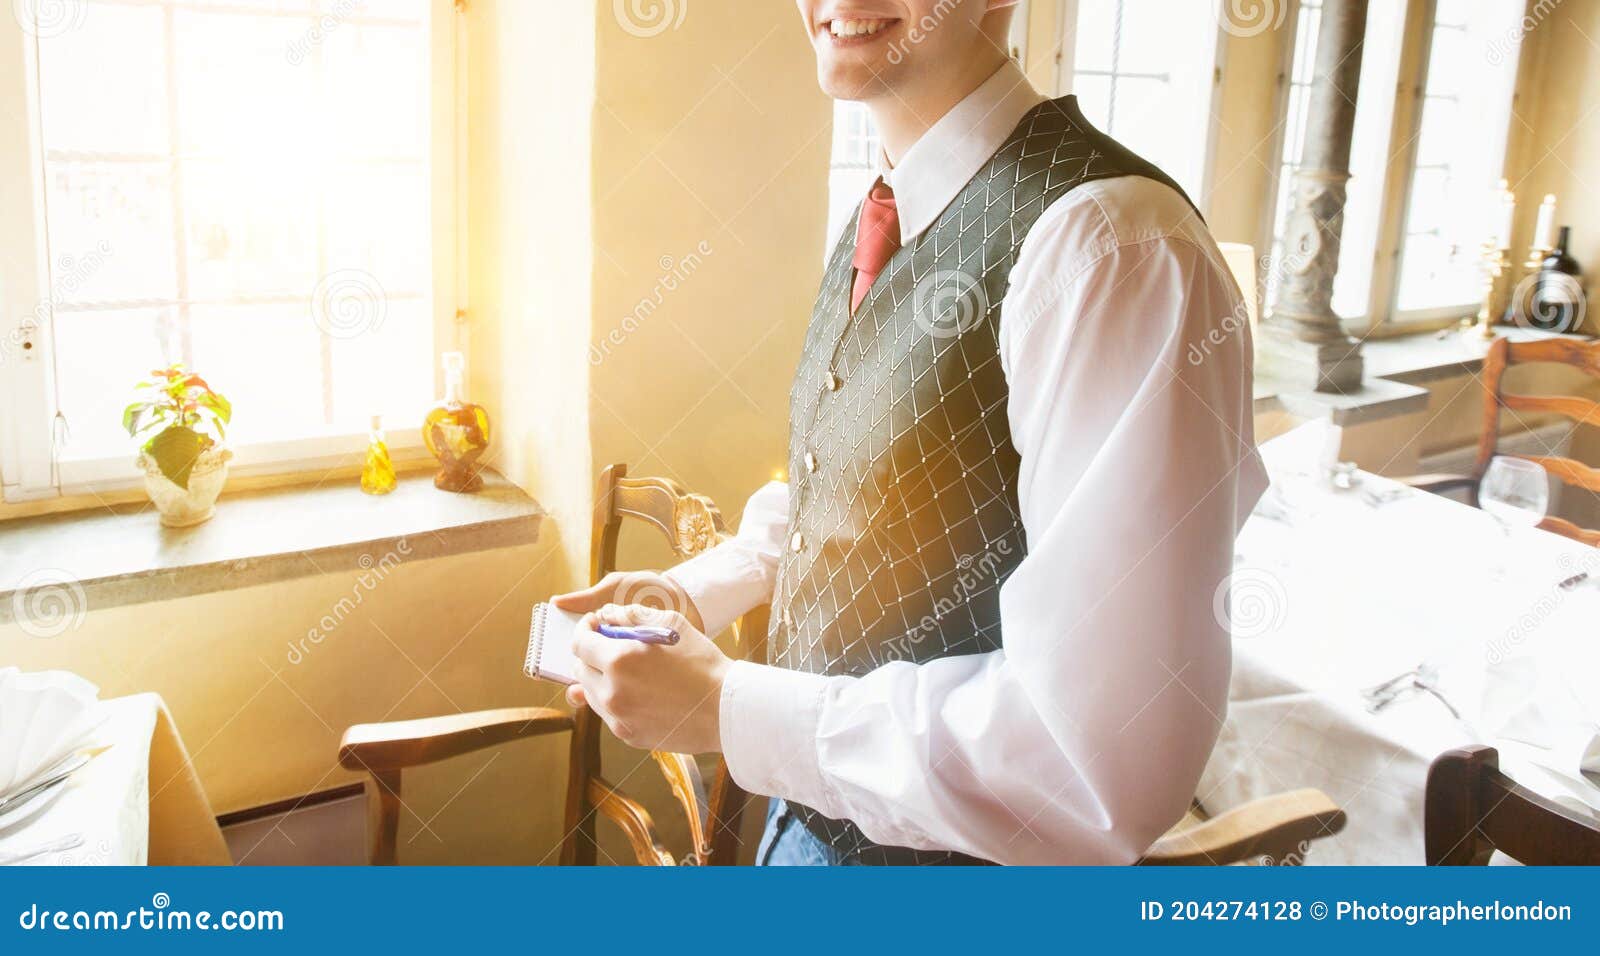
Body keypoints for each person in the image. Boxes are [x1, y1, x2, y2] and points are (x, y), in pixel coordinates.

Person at [553, 0, 1266, 865]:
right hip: (800, 830)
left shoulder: (1113, 250)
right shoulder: (888, 207)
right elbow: (855, 486)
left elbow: (1097, 763)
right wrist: (698, 591)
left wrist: (727, 707)